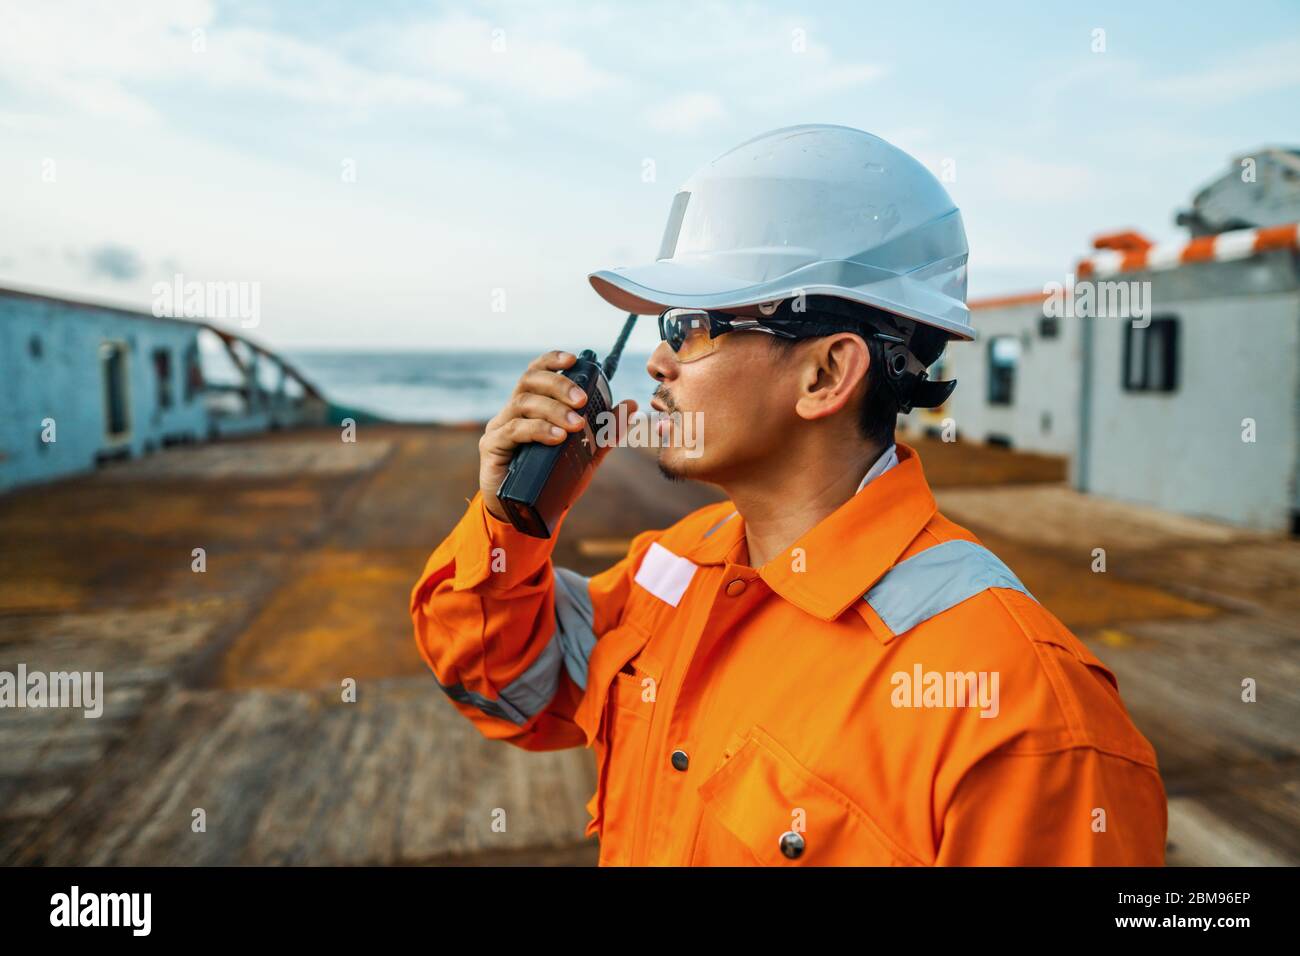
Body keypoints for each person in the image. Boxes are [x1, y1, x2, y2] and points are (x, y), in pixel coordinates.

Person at [410, 125, 1167, 865]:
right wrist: (513, 521)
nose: (659, 364)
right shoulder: (673, 568)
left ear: (826, 376)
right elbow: (505, 689)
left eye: (693, 326)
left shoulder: (1021, 716)